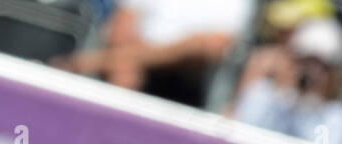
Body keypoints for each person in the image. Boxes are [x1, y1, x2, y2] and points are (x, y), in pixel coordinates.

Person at [50, 0, 254, 108]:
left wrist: (115, 59)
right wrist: (141, 57)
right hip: (135, 63)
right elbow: (121, 31)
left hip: (190, 77)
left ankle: (94, 63)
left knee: (196, 45)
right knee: (124, 72)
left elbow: (211, 49)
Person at [228, 17, 342, 144]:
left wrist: (308, 108)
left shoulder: (337, 117)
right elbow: (241, 133)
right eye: (304, 62)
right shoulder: (261, 96)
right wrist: (282, 96)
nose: (311, 72)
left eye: (321, 66)